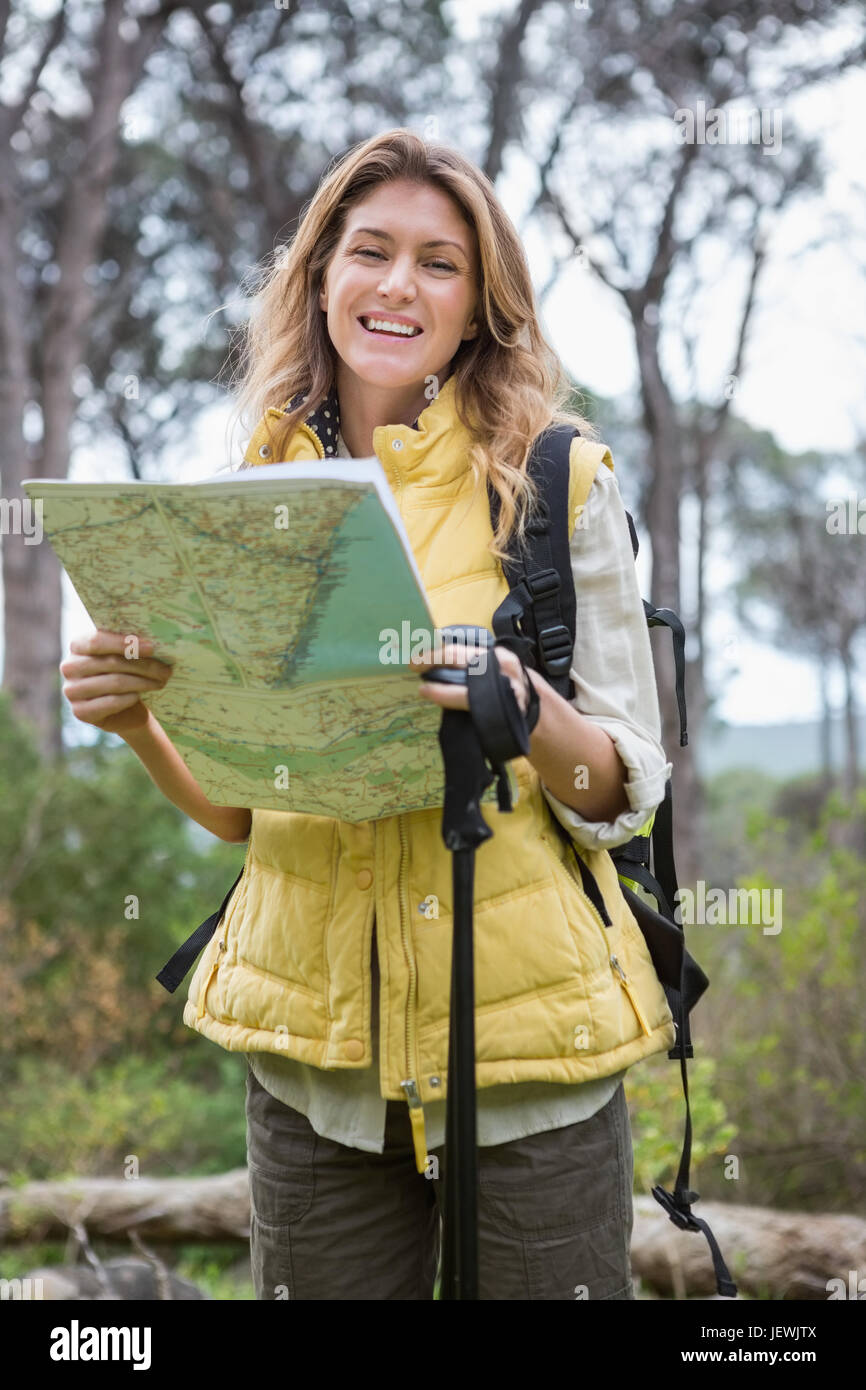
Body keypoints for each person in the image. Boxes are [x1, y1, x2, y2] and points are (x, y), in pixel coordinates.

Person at [60, 128, 675, 1301]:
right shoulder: (250, 490)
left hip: (525, 1057)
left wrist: (523, 708)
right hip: (315, 1067)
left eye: (439, 263)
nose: (399, 285)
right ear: (320, 276)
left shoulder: (556, 480)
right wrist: (139, 724)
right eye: (371, 251)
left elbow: (618, 789)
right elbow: (245, 815)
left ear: (477, 302)